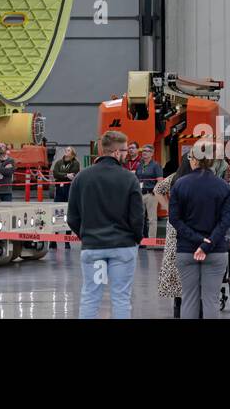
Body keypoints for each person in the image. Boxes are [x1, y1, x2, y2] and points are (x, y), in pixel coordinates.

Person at [66, 130, 144, 319]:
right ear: (117, 153)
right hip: (122, 246)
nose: (127, 154)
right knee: (121, 298)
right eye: (125, 150)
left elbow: (72, 217)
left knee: (90, 296)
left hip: (93, 246)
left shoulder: (81, 178)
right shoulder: (129, 178)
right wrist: (136, 238)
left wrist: (86, 235)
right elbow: (137, 216)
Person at [169, 147, 230, 320]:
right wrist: (207, 243)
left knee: (189, 299)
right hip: (216, 250)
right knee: (211, 300)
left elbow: (174, 219)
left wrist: (198, 240)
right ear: (212, 161)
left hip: (186, 249)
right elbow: (226, 221)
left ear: (194, 160)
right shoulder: (224, 187)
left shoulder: (180, 184)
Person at [154, 158, 192, 316]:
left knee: (173, 259)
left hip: (174, 223)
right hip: (192, 221)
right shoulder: (195, 178)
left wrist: (168, 207)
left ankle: (177, 302)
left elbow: (157, 189)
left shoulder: (175, 177)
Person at [135, 145, 164, 239]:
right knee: (140, 218)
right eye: (143, 151)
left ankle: (151, 241)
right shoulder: (139, 165)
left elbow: (160, 180)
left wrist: (155, 192)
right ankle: (141, 239)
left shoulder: (156, 165)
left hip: (151, 194)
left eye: (147, 151)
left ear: (152, 153)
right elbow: (136, 179)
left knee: (152, 219)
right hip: (140, 194)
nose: (144, 152)